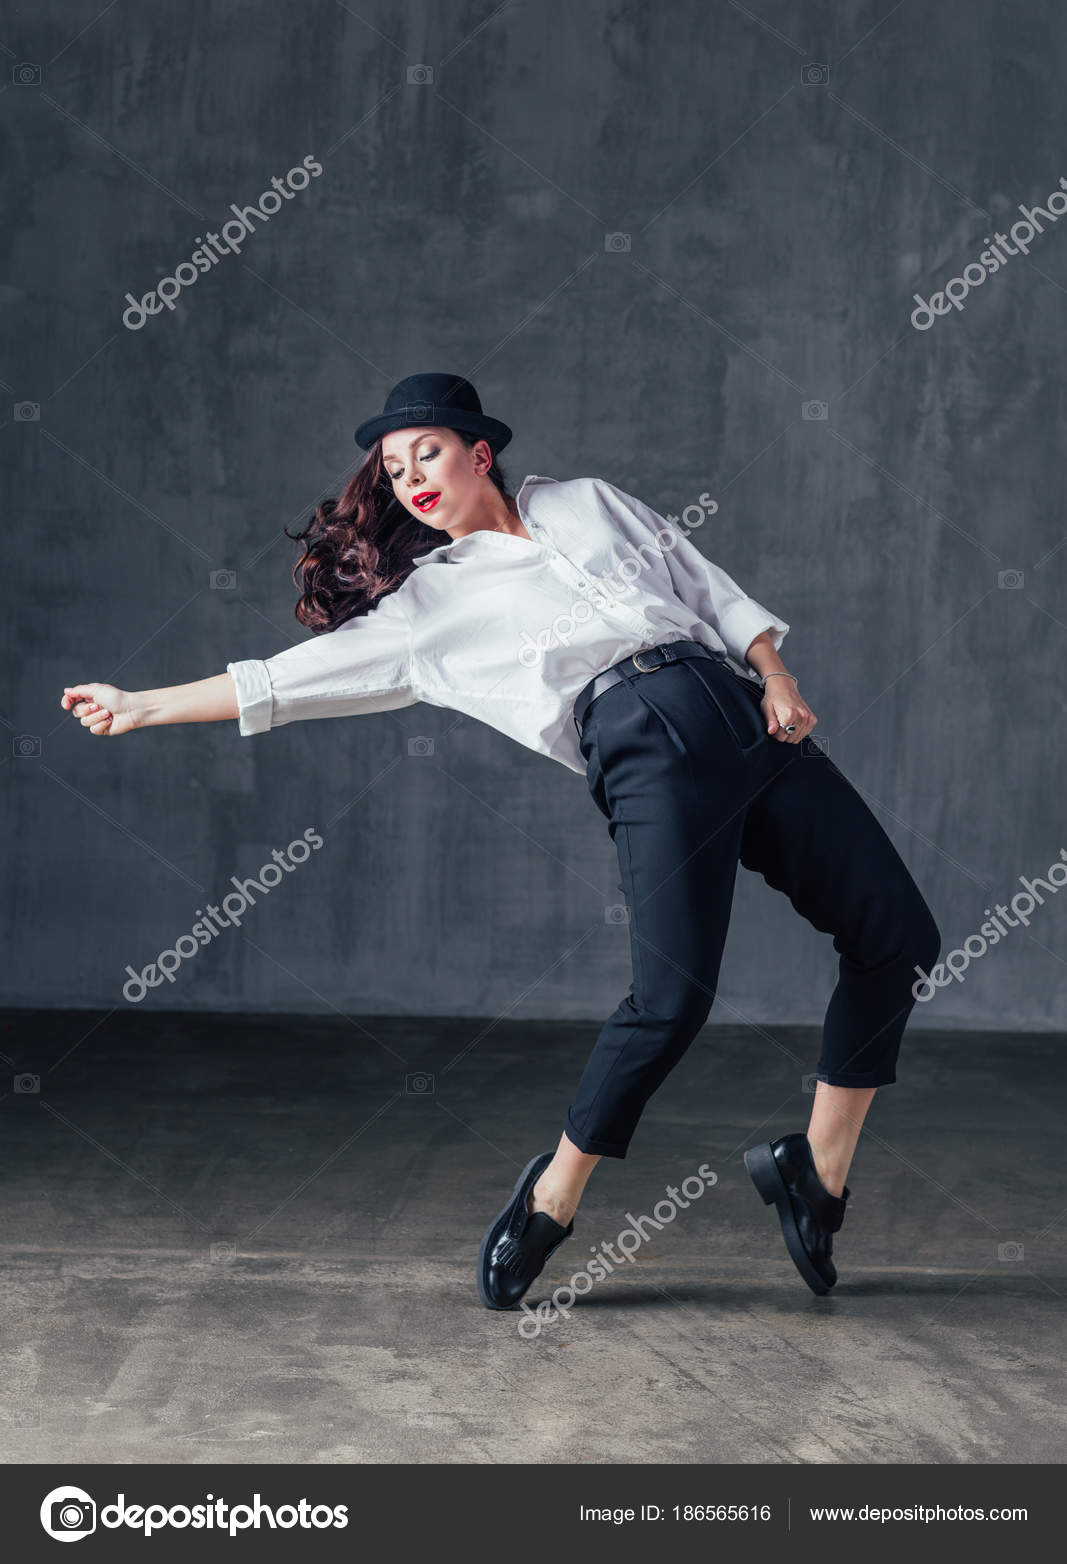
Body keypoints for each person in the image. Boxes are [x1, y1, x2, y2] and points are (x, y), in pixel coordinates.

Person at [60, 372, 941, 1310]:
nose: (409, 479)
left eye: (425, 452)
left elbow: (702, 586)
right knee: (670, 999)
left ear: (479, 452)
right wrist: (141, 705)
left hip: (742, 714)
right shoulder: (429, 607)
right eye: (393, 471)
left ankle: (816, 1170)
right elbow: (284, 681)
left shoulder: (584, 501)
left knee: (896, 934)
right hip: (642, 748)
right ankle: (553, 1198)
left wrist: (773, 670)